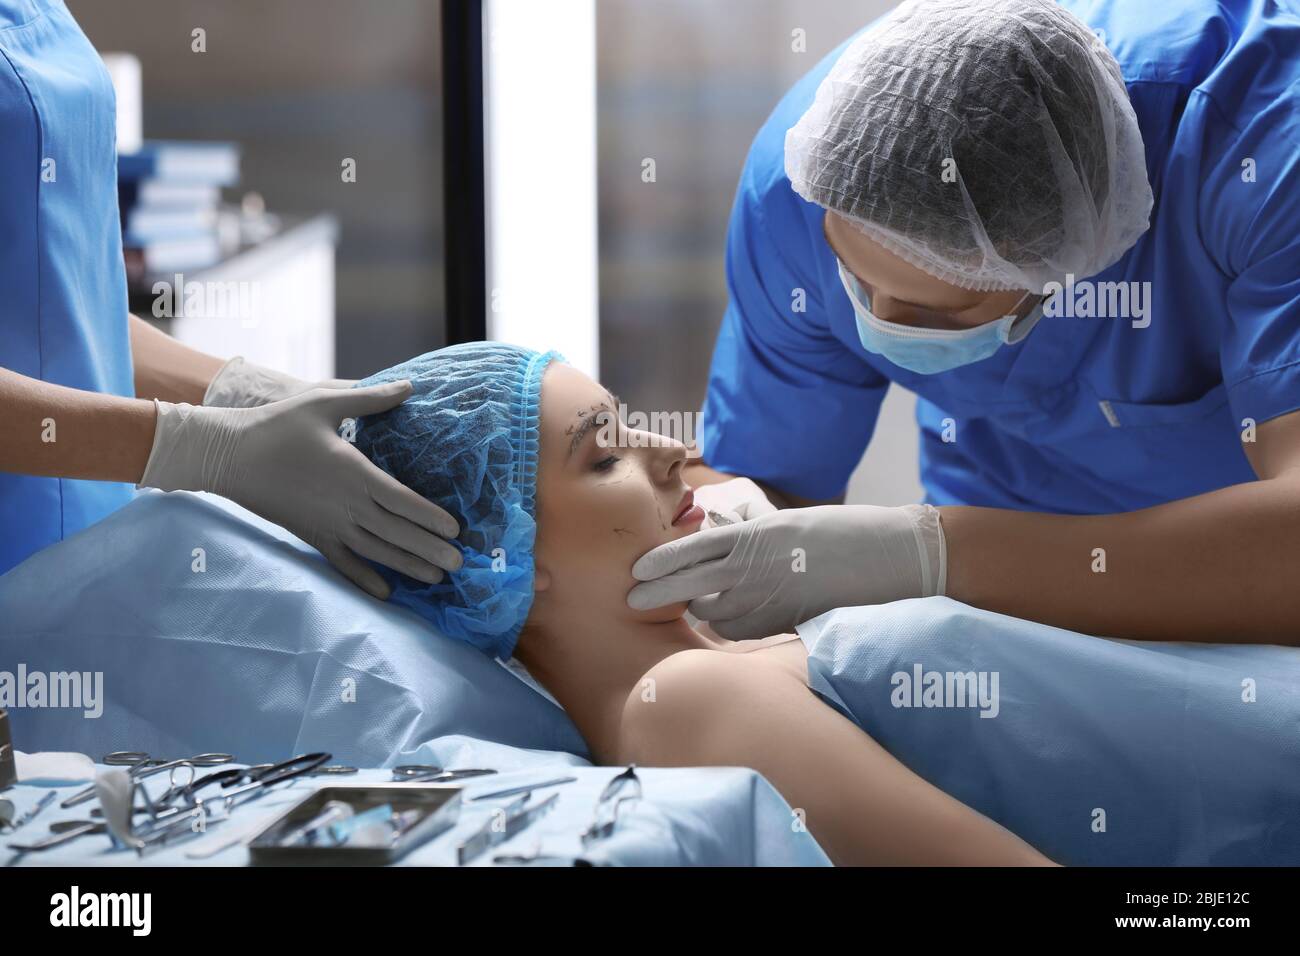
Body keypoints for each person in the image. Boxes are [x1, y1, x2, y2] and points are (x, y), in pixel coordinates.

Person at [628, 0, 1300, 646]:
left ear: (1067, 267)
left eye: (933, 312)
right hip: (992, 538)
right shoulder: (805, 185)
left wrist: (933, 558)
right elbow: (779, 486)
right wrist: (738, 532)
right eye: (854, 281)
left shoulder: (1262, 154)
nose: (876, 325)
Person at [350, 342, 1054, 866]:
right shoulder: (683, 701)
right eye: (604, 456)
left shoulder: (729, 652)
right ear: (500, 556)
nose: (673, 452)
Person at [0, 0, 459, 594]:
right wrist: (206, 447)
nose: (623, 442)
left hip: (94, 555)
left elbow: (59, 302)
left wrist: (244, 394)